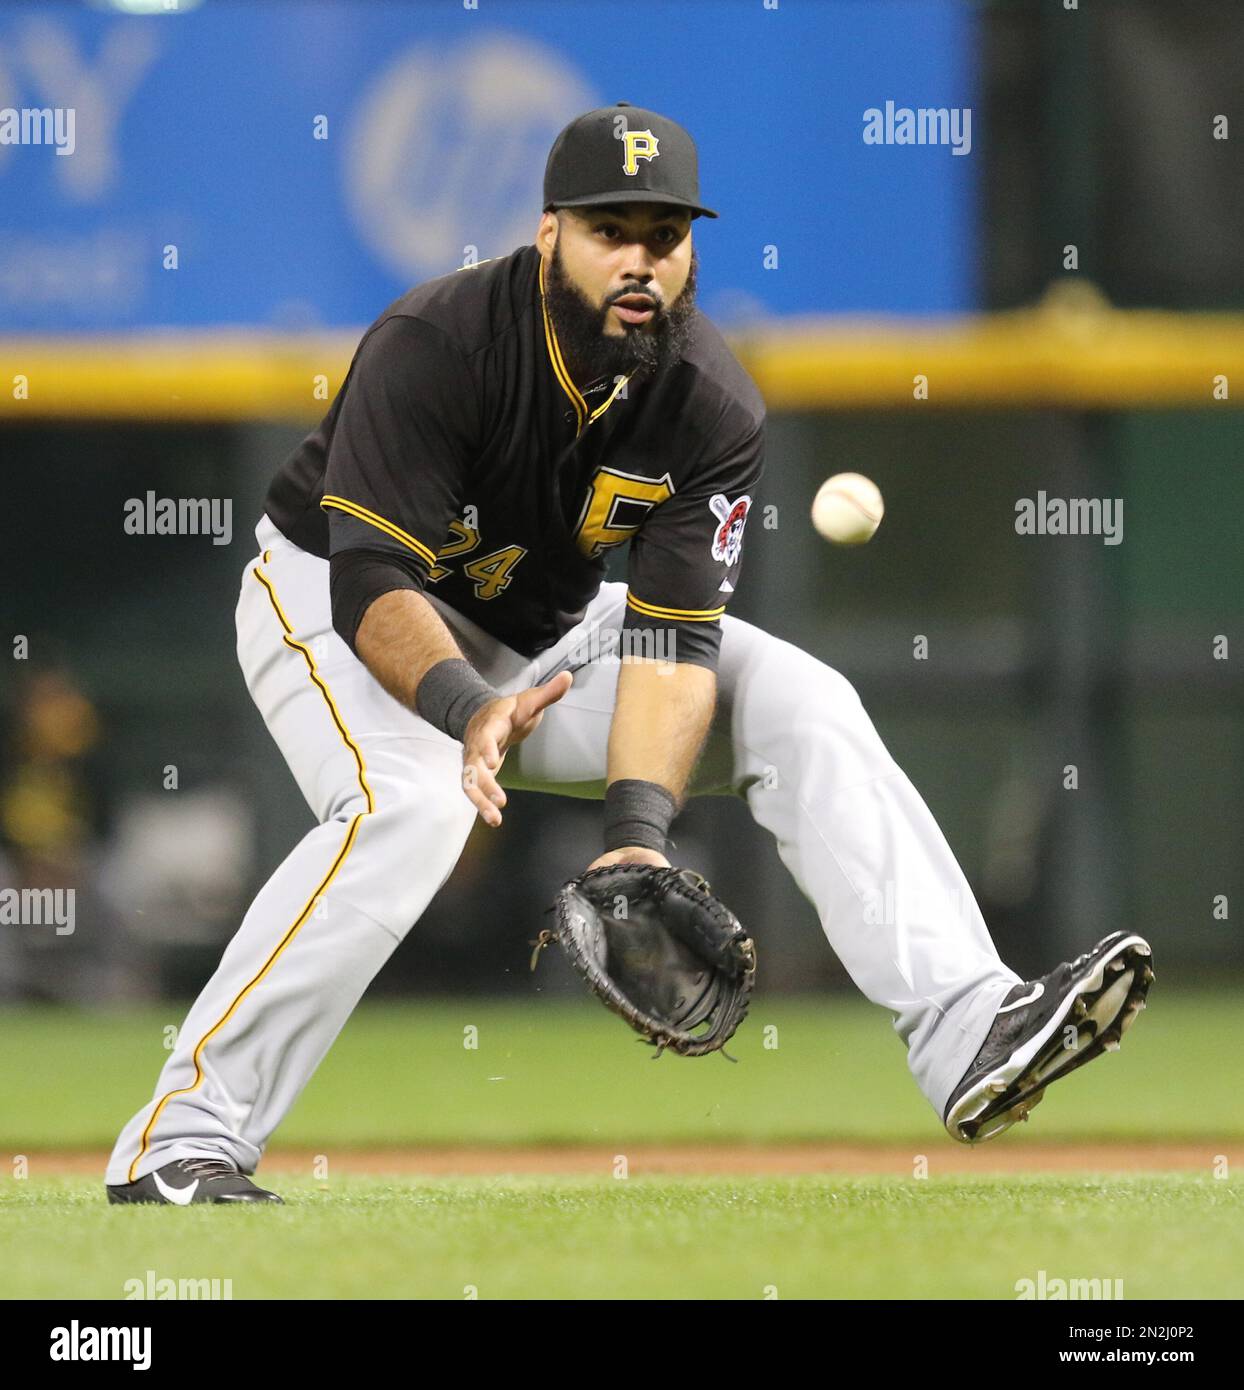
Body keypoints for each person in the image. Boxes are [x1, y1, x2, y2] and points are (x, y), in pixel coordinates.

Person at [105, 104, 1151, 1205]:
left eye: (665, 232)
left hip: (536, 635)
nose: (641, 258)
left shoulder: (709, 401)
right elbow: (372, 582)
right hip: (328, 601)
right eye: (613, 230)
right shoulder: (441, 342)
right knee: (410, 807)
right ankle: (182, 1137)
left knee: (799, 697)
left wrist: (633, 838)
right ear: (549, 231)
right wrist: (467, 710)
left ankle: (966, 1027)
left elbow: (667, 637)